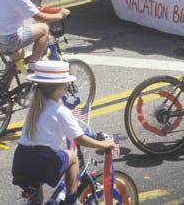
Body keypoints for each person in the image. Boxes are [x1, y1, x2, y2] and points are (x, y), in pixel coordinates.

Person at [12, 61, 115, 205]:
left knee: (37, 199)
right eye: (66, 85)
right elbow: (80, 138)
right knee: (72, 157)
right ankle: (71, 201)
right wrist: (103, 144)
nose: (68, 88)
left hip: (20, 161)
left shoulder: (34, 108)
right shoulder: (61, 111)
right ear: (60, 89)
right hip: (41, 161)